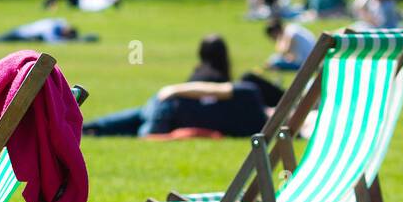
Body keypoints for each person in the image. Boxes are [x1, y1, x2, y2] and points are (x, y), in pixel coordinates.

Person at [82, 79, 270, 138]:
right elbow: (208, 133)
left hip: (168, 106)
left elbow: (212, 89)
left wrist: (174, 89)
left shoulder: (251, 93)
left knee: (136, 117)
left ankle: (85, 128)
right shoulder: (253, 131)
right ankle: (88, 131)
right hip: (166, 123)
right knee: (133, 129)